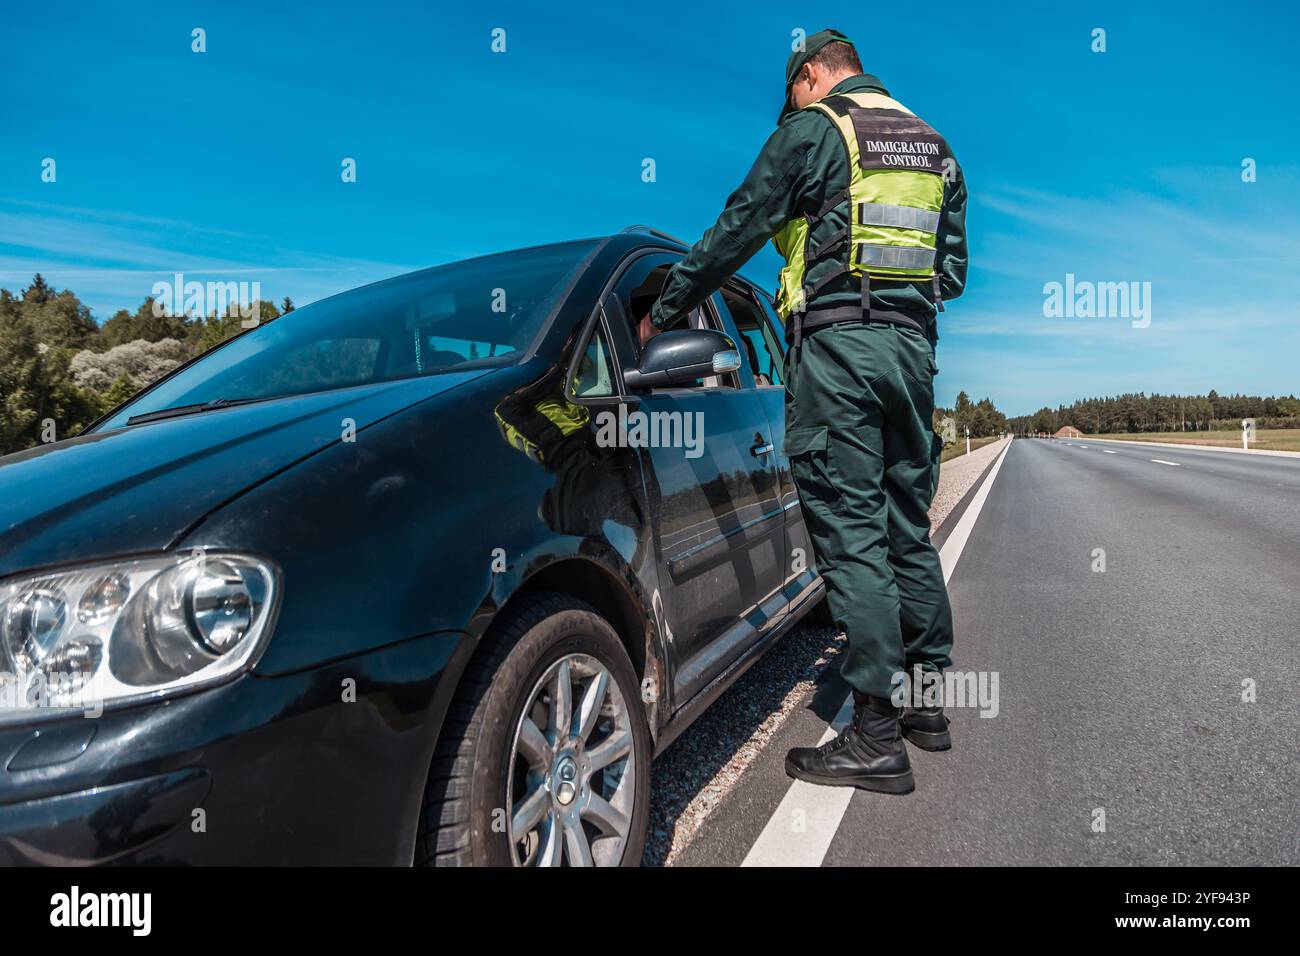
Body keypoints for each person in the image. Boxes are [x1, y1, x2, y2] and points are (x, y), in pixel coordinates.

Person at [643, 29, 968, 793]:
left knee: (852, 534)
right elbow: (950, 274)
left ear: (812, 76)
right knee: (902, 526)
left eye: (791, 94)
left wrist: (668, 305)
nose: (788, 108)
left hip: (839, 353)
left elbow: (738, 225)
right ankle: (926, 708)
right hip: (911, 354)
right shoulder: (937, 146)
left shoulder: (815, 131)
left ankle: (876, 735)